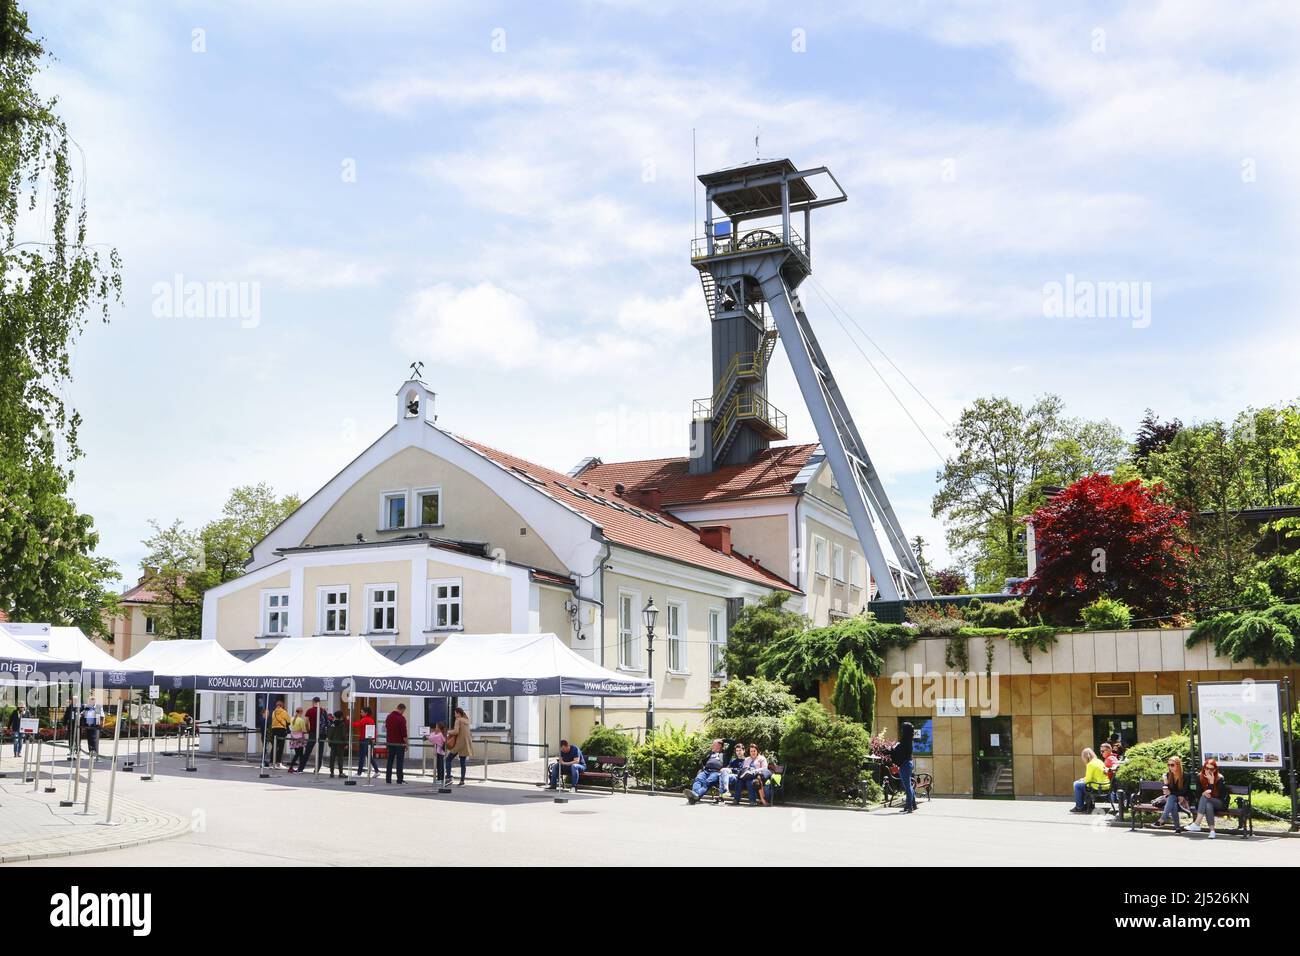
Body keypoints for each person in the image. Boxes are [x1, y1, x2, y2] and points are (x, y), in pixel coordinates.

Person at [1189, 758, 1228, 838]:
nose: (1209, 771)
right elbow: (1197, 793)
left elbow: (1221, 795)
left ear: (1215, 769)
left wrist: (1211, 782)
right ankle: (1212, 832)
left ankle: (1197, 823)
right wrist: (1203, 793)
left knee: (1205, 798)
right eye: (1207, 768)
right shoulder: (1199, 777)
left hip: (1219, 803)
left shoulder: (1220, 778)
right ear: (1204, 768)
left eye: (1212, 769)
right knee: (1208, 805)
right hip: (1205, 803)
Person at [1156, 755, 1190, 833]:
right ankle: (1177, 828)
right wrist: (1165, 782)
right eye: (1169, 765)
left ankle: (1162, 819)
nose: (1170, 767)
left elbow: (1184, 791)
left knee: (1172, 797)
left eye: (1172, 765)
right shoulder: (1168, 775)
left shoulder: (1186, 776)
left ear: (1178, 765)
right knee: (1173, 802)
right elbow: (1167, 792)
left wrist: (1172, 793)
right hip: (1172, 801)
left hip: (1183, 801)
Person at [686, 739, 726, 804]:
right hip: (706, 771)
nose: (712, 746)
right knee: (698, 779)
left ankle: (695, 796)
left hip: (716, 772)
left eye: (713, 744)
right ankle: (694, 796)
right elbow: (702, 760)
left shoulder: (724, 754)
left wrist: (723, 740)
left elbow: (732, 743)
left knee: (707, 782)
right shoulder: (710, 753)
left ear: (719, 745)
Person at [1070, 747, 1110, 813]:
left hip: (1098, 787)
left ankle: (1079, 807)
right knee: (1081, 784)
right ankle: (1089, 805)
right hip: (1106, 785)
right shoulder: (1099, 761)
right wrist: (1083, 779)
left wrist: (1081, 781)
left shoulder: (1090, 764)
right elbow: (1094, 777)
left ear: (1086, 757)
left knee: (1077, 785)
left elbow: (1088, 780)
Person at [891, 721, 917, 813]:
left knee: (907, 786)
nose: (901, 730)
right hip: (908, 763)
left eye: (903, 728)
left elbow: (898, 750)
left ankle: (909, 806)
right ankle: (913, 805)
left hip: (905, 764)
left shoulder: (905, 740)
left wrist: (892, 748)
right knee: (909, 785)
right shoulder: (909, 739)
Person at [446, 706, 473, 786]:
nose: (454, 715)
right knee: (462, 763)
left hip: (459, 744)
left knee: (448, 759)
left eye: (455, 713)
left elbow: (456, 731)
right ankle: (462, 781)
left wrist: (448, 732)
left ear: (458, 713)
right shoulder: (466, 720)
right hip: (466, 744)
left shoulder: (458, 720)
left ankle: (449, 777)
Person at [385, 703, 408, 784]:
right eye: (403, 711)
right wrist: (406, 744)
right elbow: (404, 733)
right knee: (399, 762)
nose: (403, 712)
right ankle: (399, 779)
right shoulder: (401, 718)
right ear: (402, 709)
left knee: (390, 761)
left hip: (390, 742)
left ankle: (388, 779)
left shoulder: (389, 717)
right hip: (399, 744)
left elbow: (387, 728)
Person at [305, 697, 329, 772]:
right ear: (319, 702)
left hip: (312, 732)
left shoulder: (309, 710)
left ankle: (301, 768)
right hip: (321, 733)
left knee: (308, 750)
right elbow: (327, 722)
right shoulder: (323, 710)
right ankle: (317, 769)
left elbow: (306, 722)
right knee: (320, 751)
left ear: (313, 702)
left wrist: (308, 730)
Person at [352, 707, 378, 777]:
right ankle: (376, 771)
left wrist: (349, 722)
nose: (360, 713)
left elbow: (357, 724)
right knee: (369, 756)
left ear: (366, 713)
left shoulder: (365, 719)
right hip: (369, 740)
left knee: (362, 756)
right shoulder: (371, 720)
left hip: (364, 739)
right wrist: (374, 738)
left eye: (362, 712)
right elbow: (374, 730)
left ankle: (359, 773)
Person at [326, 709, 349, 778]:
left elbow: (329, 734)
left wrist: (330, 742)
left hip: (333, 743)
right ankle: (340, 772)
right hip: (340, 744)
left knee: (332, 758)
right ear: (341, 716)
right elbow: (343, 735)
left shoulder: (332, 724)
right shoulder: (342, 724)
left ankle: (332, 772)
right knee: (340, 758)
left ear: (335, 716)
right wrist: (346, 743)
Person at [270, 699, 292, 768]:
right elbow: (289, 721)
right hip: (281, 730)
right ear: (282, 706)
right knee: (281, 747)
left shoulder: (273, 712)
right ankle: (278, 763)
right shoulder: (284, 712)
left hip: (274, 730)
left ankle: (271, 762)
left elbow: (272, 720)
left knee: (274, 747)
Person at [288, 707, 309, 773]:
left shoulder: (291, 719)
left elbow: (290, 727)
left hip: (293, 737)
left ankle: (292, 767)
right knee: (300, 754)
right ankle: (299, 768)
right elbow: (304, 730)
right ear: (301, 712)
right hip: (300, 738)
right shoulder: (301, 720)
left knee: (298, 753)